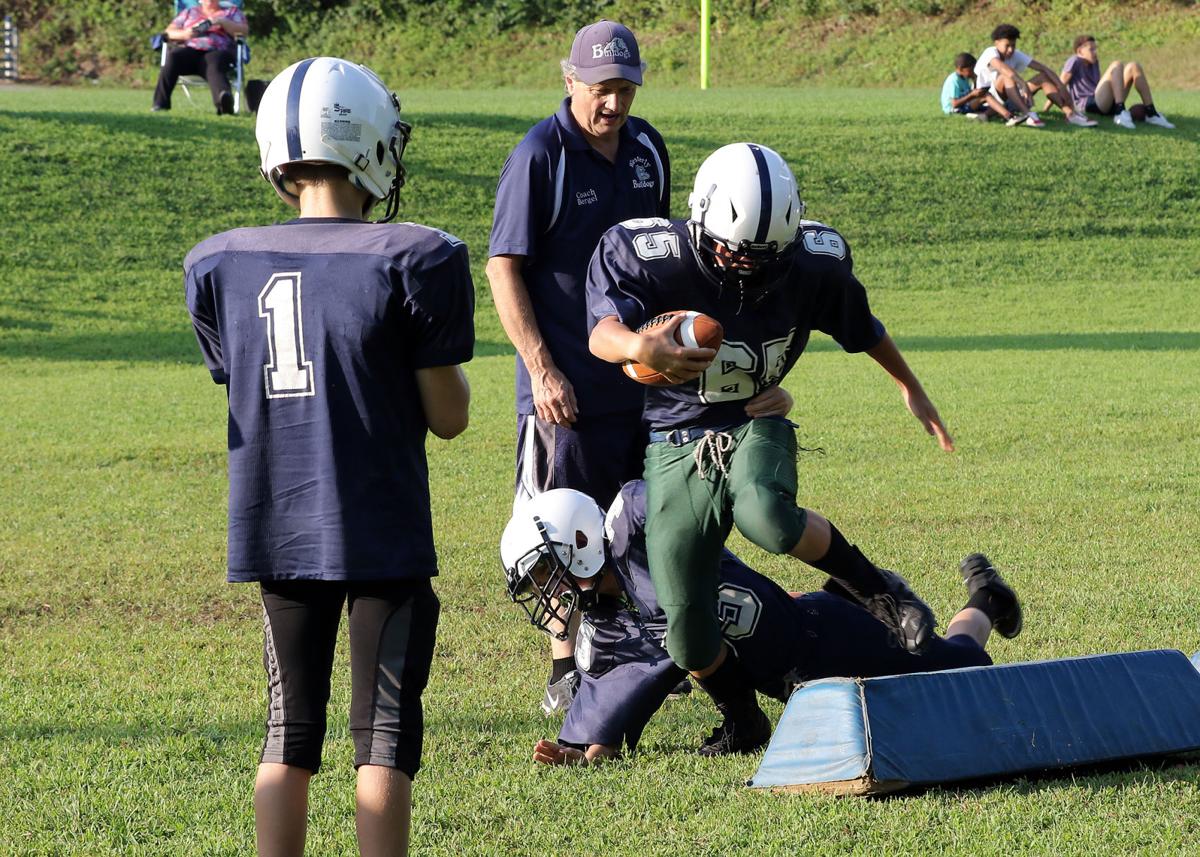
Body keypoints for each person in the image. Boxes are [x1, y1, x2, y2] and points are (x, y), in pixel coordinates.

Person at [184, 57, 473, 857]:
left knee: (289, 727)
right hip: (380, 524)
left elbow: (246, 383)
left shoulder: (219, 263)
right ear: (368, 142)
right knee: (381, 733)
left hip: (279, 525)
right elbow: (448, 416)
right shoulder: (412, 256)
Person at [585, 142, 954, 753]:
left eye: (765, 253)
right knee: (686, 628)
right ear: (700, 219)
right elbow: (601, 332)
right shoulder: (650, 254)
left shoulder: (813, 265)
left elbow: (864, 330)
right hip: (677, 441)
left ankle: (877, 590)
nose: (748, 266)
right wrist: (638, 349)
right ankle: (743, 719)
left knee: (767, 516)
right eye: (734, 249)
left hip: (756, 419)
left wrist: (910, 388)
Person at [499, 483, 1022, 764]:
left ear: (581, 543)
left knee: (965, 666)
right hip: (788, 680)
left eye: (547, 571)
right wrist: (586, 754)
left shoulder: (641, 525)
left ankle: (985, 597)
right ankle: (744, 724)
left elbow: (702, 492)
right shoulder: (609, 620)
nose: (551, 589)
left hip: (825, 638)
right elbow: (612, 698)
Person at [485, 20, 673, 715]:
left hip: (638, 384)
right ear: (570, 82)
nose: (614, 105)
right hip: (562, 390)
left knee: (637, 523)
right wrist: (541, 369)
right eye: (601, 90)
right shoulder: (542, 155)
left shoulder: (649, 149)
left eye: (625, 89)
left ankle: (629, 648)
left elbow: (660, 255)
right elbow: (503, 268)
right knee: (559, 528)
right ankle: (565, 664)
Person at [974, 23, 1096, 128]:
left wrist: (1061, 87)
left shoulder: (1015, 54)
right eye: (1007, 45)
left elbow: (1044, 68)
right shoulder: (990, 52)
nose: (1011, 49)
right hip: (989, 102)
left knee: (1043, 77)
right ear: (997, 43)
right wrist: (1022, 84)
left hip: (1012, 98)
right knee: (1007, 75)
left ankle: (1070, 114)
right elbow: (1002, 68)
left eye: (1013, 45)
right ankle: (1028, 114)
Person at [152, 0, 248, 114]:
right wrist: (185, 34)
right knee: (174, 56)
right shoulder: (189, 12)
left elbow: (243, 32)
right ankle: (160, 104)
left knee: (214, 63)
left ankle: (223, 103)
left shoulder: (231, 12)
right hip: (190, 50)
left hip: (217, 51)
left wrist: (222, 22)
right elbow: (168, 32)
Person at [1061, 35, 1175, 130]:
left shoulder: (1094, 63)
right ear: (1080, 51)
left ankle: (1151, 113)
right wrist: (1051, 108)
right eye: (1091, 49)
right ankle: (1120, 112)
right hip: (1087, 104)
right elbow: (1060, 84)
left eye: (1096, 49)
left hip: (1103, 102)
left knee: (1133, 66)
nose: (1095, 52)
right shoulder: (1074, 60)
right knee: (1116, 64)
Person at [940, 52, 1012, 123]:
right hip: (953, 110)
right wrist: (972, 95)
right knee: (985, 96)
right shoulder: (954, 80)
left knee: (995, 105)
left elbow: (970, 93)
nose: (974, 72)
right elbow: (954, 104)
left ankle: (986, 115)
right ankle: (1008, 116)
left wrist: (975, 81)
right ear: (961, 69)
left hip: (964, 105)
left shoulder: (964, 78)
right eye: (971, 70)